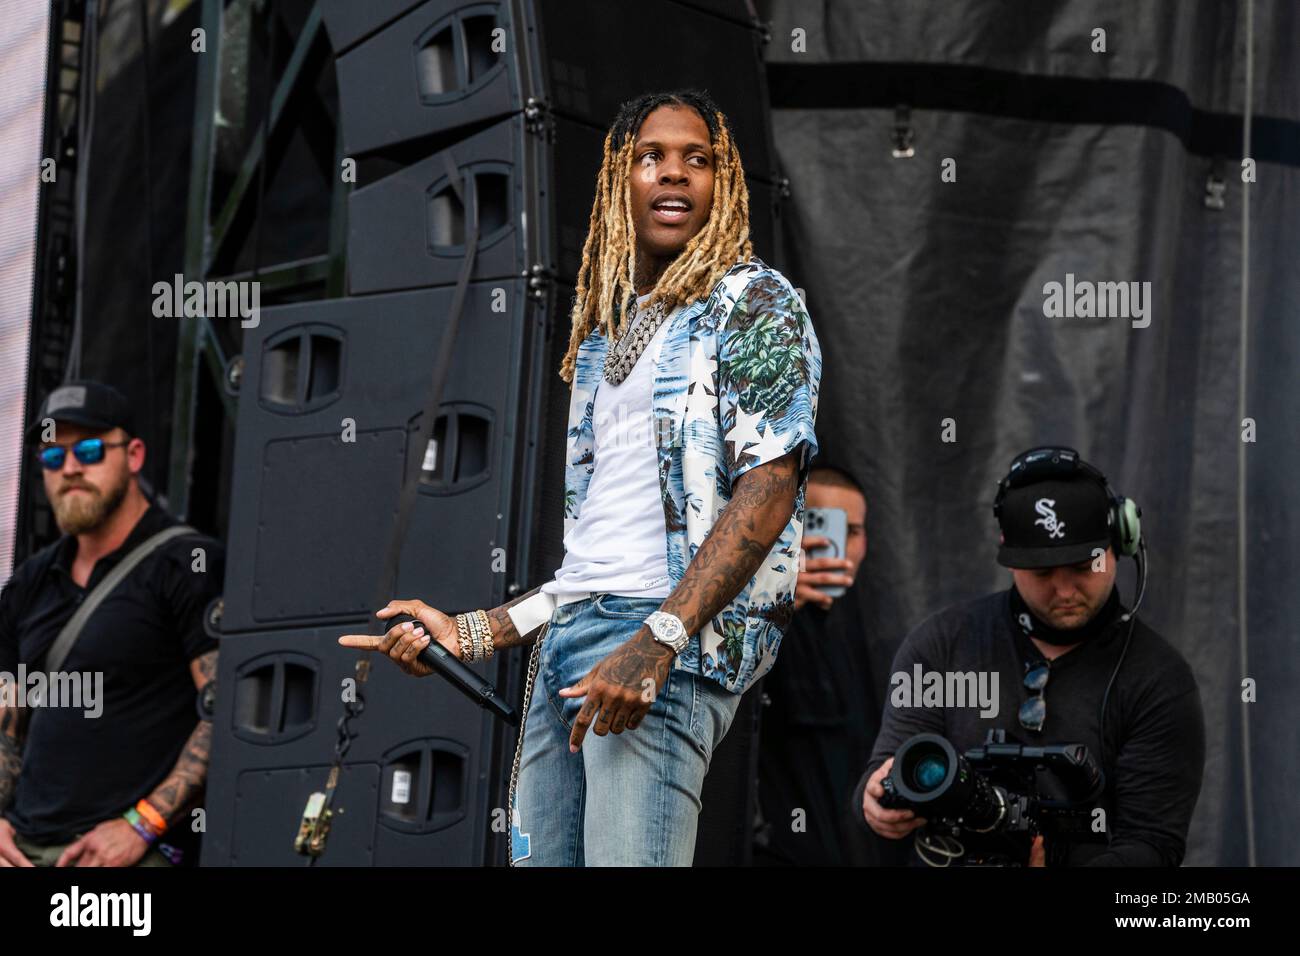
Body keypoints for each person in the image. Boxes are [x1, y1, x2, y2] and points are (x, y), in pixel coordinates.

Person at [341, 89, 822, 866]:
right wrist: (477, 631)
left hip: (660, 640)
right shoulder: (606, 336)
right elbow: (594, 554)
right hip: (568, 645)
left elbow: (767, 490)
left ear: (723, 182)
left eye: (697, 159)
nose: (675, 175)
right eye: (650, 158)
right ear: (616, 182)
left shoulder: (754, 301)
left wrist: (657, 642)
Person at [854, 446, 1205, 866]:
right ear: (1011, 563)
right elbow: (885, 771)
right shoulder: (941, 647)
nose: (1064, 590)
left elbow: (1153, 842)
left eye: (1081, 567)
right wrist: (875, 801)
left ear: (1121, 544)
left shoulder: (1158, 679)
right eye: (1042, 573)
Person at [0, 381, 224, 867]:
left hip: (126, 853)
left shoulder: (188, 564)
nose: (72, 468)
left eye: (89, 449)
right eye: (53, 457)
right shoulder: (31, 581)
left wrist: (143, 824)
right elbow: (6, 717)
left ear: (135, 454)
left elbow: (226, 710)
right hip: (24, 848)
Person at [754, 465, 908, 866]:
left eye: (850, 531)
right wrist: (772, 604)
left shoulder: (872, 631)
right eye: (814, 523)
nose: (829, 542)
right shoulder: (748, 616)